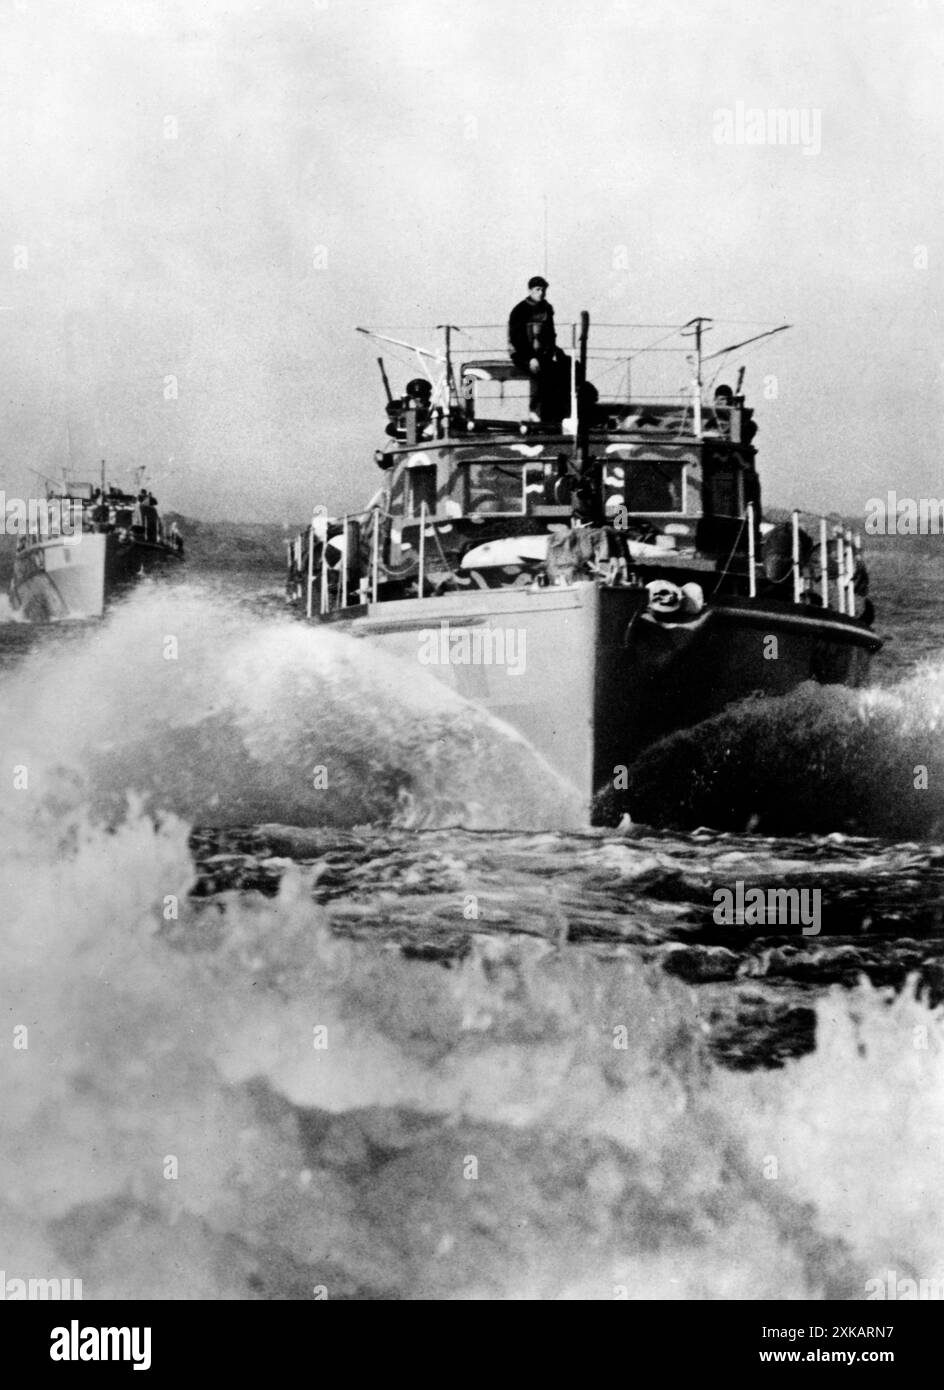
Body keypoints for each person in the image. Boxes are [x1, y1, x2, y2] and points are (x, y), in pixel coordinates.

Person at [508, 276, 558, 422]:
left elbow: (551, 334)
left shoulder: (547, 309)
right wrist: (530, 358)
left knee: (562, 369)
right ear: (530, 290)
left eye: (543, 290)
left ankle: (551, 417)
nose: (541, 293)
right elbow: (517, 339)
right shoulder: (519, 310)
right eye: (538, 289)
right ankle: (534, 413)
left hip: (542, 354)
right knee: (542, 376)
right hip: (522, 355)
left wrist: (553, 352)